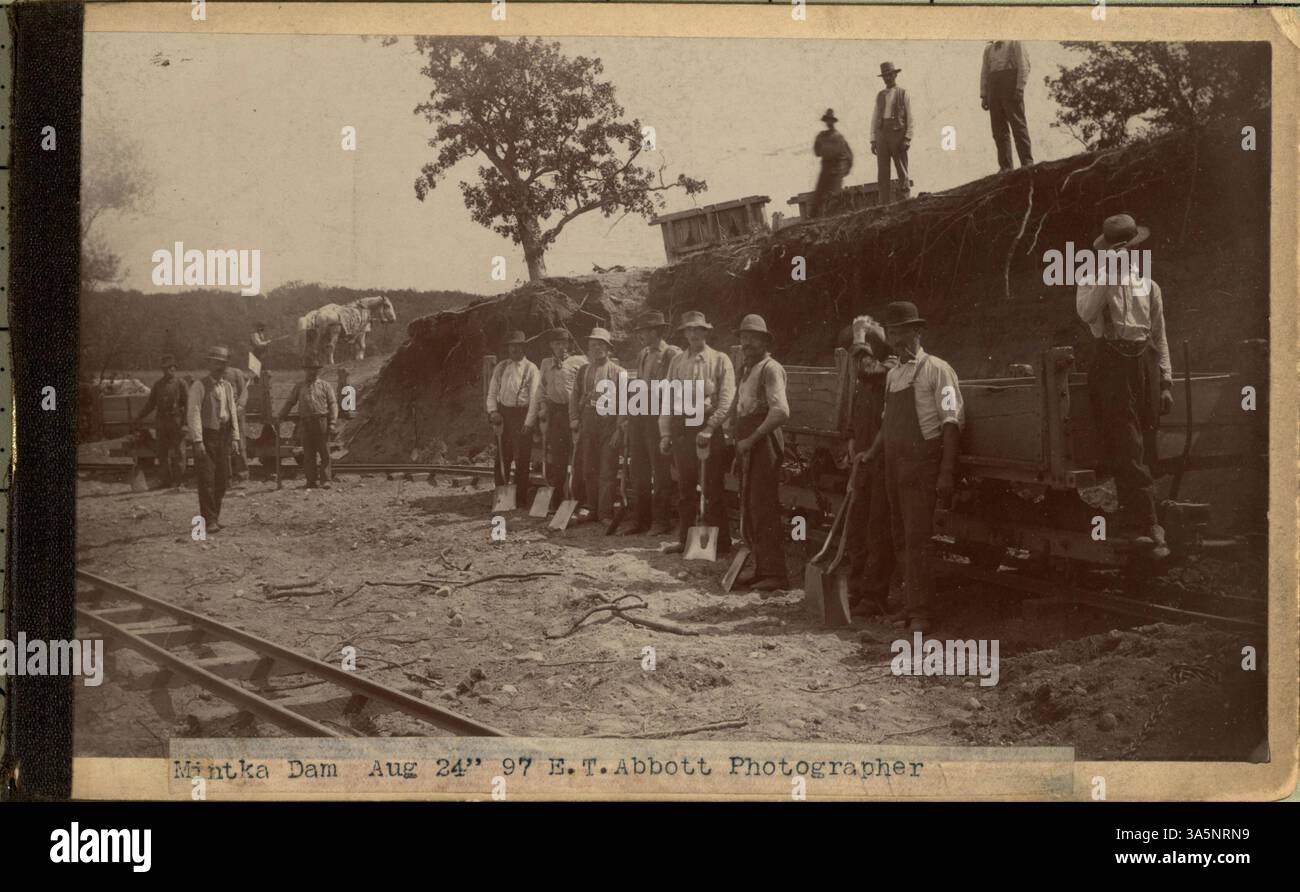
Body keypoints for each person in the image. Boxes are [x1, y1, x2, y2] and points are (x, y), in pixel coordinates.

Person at [860, 302, 964, 634]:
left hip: (921, 464)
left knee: (918, 538)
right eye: (891, 332)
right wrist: (871, 452)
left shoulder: (938, 369)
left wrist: (946, 472)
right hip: (893, 463)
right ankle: (908, 607)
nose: (897, 338)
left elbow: (951, 422)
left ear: (917, 332)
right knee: (899, 537)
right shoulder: (893, 374)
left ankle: (921, 613)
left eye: (903, 331)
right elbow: (887, 421)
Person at [1076, 214, 1174, 554]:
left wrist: (1166, 381)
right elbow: (1087, 314)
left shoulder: (1150, 286)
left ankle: (1139, 520)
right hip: (1111, 365)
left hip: (1142, 365)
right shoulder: (1092, 278)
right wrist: (1108, 276)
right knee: (1128, 444)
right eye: (1117, 250)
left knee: (1144, 442)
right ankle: (1149, 522)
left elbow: (1159, 336)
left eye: (1129, 249)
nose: (1124, 255)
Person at [660, 311, 736, 556]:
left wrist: (710, 427)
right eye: (689, 330)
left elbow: (726, 399)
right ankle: (685, 540)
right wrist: (665, 433)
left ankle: (720, 544)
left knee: (712, 488)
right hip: (683, 427)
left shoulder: (720, 359)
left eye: (698, 330)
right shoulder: (677, 361)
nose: (693, 334)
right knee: (685, 487)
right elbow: (668, 399)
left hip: (707, 426)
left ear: (706, 332)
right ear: (685, 334)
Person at [728, 315, 790, 592]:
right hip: (748, 445)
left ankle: (776, 573)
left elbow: (780, 412)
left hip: (763, 444)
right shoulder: (747, 369)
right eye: (743, 338)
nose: (747, 343)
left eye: (753, 338)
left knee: (763, 509)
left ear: (765, 341)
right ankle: (760, 568)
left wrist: (751, 439)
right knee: (751, 509)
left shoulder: (770, 369)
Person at [844, 317, 897, 617]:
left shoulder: (890, 365)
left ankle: (874, 596)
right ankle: (855, 589)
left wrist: (861, 333)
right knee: (856, 528)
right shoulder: (868, 369)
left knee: (877, 529)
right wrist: (852, 438)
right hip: (863, 457)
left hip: (882, 458)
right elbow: (858, 403)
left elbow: (865, 370)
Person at [623, 311, 682, 536]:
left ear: (656, 332)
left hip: (659, 418)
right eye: (641, 331)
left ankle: (661, 521)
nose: (642, 335)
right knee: (639, 470)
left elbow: (674, 388)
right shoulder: (643, 354)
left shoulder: (671, 354)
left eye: (646, 331)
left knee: (660, 472)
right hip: (640, 416)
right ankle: (641, 519)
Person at [526, 328, 587, 512]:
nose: (561, 347)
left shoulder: (581, 362)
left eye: (564, 343)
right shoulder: (545, 364)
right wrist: (543, 408)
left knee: (578, 459)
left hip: (574, 413)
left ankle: (578, 500)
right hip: (555, 415)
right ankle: (557, 501)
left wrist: (578, 414)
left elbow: (586, 388)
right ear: (551, 346)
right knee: (558, 460)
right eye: (557, 344)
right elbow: (541, 390)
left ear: (569, 344)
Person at [568, 328, 624, 524]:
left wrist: (619, 429)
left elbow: (624, 405)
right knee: (588, 470)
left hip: (609, 424)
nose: (597, 348)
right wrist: (574, 419)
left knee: (607, 470)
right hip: (588, 422)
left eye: (601, 345)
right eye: (593, 345)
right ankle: (592, 511)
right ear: (589, 349)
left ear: (608, 349)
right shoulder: (583, 370)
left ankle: (605, 513)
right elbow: (574, 396)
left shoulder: (619, 372)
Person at [187, 346, 242, 533]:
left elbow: (232, 412)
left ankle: (215, 517)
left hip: (224, 436)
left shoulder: (227, 386)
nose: (220, 367)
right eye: (216, 363)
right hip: (207, 436)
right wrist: (198, 440)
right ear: (209, 363)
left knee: (222, 479)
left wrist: (235, 437)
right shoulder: (199, 386)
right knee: (207, 480)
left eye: (223, 363)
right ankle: (208, 521)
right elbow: (193, 413)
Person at [486, 331, 541, 507]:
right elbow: (492, 392)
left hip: (521, 415)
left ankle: (520, 498)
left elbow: (535, 398)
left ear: (524, 348)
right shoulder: (501, 367)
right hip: (503, 415)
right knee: (502, 456)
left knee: (522, 458)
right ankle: (502, 498)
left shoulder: (531, 368)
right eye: (511, 346)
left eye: (518, 346)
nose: (514, 350)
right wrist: (493, 411)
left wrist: (529, 422)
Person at [278, 359, 339, 490]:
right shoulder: (299, 386)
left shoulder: (325, 386)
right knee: (308, 453)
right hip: (305, 422)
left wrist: (333, 422)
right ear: (306, 370)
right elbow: (290, 402)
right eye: (310, 369)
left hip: (321, 421)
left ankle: (326, 480)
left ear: (319, 370)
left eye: (316, 369)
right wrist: (281, 416)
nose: (313, 372)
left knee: (324, 452)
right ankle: (311, 481)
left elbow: (333, 404)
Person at [131, 354, 187, 490]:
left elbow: (188, 405)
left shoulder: (181, 383)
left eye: (170, 368)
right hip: (162, 422)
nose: (168, 371)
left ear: (175, 369)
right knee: (162, 452)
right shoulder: (158, 385)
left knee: (180, 452)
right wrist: (139, 417)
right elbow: (151, 403)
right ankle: (166, 481)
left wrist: (185, 423)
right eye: (165, 368)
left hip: (176, 421)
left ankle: (179, 482)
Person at [981, 40, 1033, 172]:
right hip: (994, 86)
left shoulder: (1015, 43)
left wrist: (1020, 87)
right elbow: (985, 72)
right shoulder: (988, 49)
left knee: (1018, 124)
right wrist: (984, 94)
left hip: (1010, 84)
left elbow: (1024, 65)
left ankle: (1026, 162)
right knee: (998, 129)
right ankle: (1005, 166)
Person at [870, 62, 913, 204]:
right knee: (883, 171)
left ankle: (905, 199)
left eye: (890, 75)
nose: (888, 78)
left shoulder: (903, 93)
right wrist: (873, 139)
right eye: (885, 76)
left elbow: (910, 118)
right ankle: (884, 204)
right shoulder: (880, 95)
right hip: (882, 133)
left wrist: (907, 138)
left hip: (898, 134)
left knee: (901, 167)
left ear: (895, 75)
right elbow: (875, 117)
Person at [811, 109, 853, 218]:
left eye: (830, 121)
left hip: (836, 170)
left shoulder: (839, 137)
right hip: (825, 168)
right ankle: (813, 220)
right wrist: (820, 145)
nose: (828, 123)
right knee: (819, 195)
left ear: (833, 122)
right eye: (827, 121)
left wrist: (843, 170)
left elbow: (849, 156)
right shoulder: (821, 136)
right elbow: (817, 152)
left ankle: (833, 219)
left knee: (834, 197)